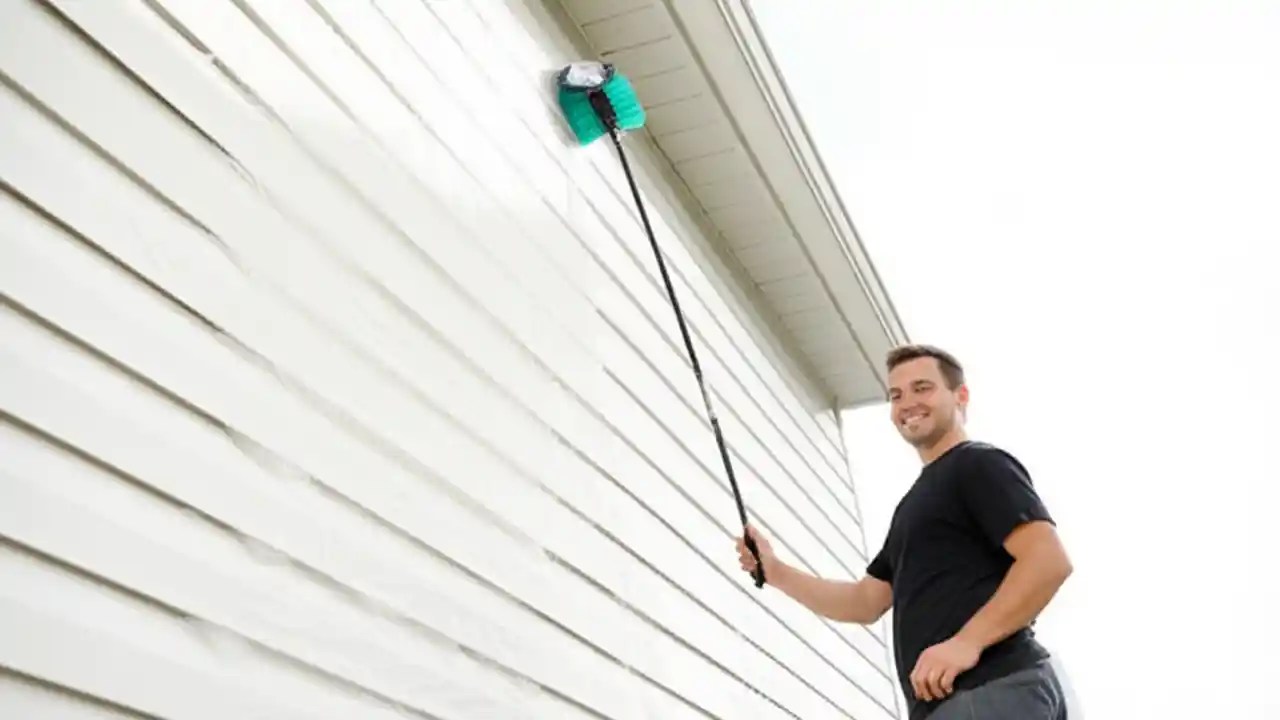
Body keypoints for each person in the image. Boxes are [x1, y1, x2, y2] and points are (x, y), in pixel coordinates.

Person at [737, 344, 1073, 719]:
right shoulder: (916, 505)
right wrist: (775, 571)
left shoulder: (976, 464)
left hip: (987, 690)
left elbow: (1047, 562)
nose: (907, 402)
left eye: (922, 387)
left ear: (960, 396)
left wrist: (966, 643)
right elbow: (864, 602)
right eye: (896, 395)